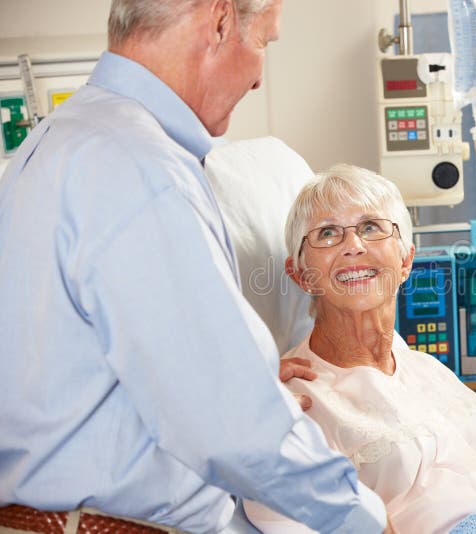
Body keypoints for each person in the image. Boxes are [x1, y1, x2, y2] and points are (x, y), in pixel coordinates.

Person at [0, 1, 387, 532]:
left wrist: (230, 379)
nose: (258, 78)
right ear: (221, 20)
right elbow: (233, 428)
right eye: (264, 43)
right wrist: (360, 519)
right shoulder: (141, 168)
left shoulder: (56, 143)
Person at [243, 164, 476, 534]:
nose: (353, 245)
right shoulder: (290, 400)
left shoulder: (430, 372)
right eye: (328, 233)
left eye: (371, 227)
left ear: (405, 261)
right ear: (301, 274)